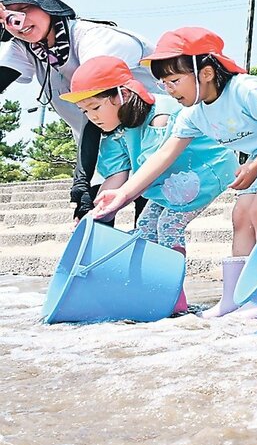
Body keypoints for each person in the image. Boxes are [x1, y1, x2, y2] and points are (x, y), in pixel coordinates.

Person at [90, 28, 257, 318]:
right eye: (163, 83)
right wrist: (123, 194)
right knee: (241, 216)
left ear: (206, 73)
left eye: (174, 80)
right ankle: (238, 297)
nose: (169, 89)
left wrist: (256, 166)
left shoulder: (245, 90)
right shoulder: (193, 114)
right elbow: (164, 155)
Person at [62, 56, 236, 313]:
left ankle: (174, 297)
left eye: (95, 107)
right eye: (85, 111)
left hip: (205, 172)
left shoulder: (160, 116)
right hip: (169, 184)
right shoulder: (116, 130)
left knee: (168, 225)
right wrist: (94, 214)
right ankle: (153, 289)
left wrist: (122, 198)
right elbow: (117, 175)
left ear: (122, 94)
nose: (92, 117)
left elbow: (155, 168)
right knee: (144, 226)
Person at [0, 0, 158, 220]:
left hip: (151, 137)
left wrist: (81, 180)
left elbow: (96, 105)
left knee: (148, 215)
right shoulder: (26, 47)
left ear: (47, 5)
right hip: (105, 146)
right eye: (7, 17)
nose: (18, 22)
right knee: (95, 216)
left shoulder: (95, 39)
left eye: (24, 9)